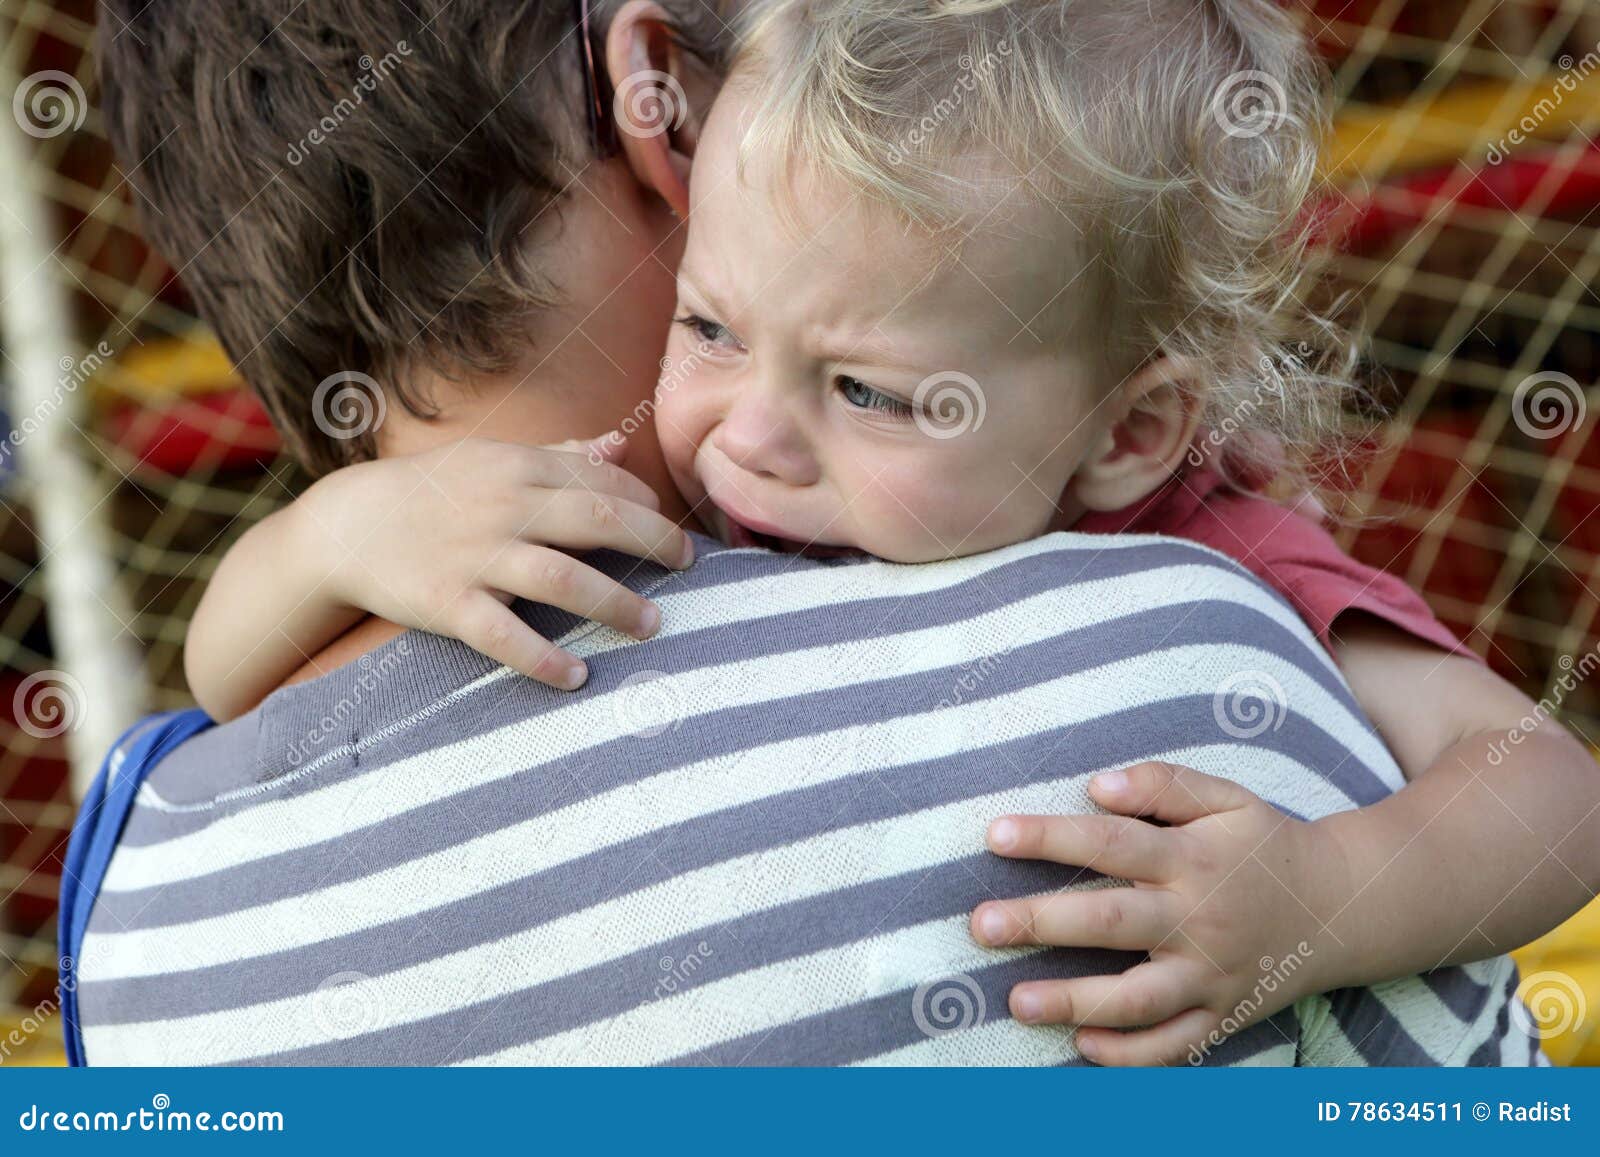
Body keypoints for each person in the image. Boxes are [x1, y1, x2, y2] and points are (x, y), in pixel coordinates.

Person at [61, 0, 1542, 1065]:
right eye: (709, 323)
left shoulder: (1213, 550)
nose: (750, 435)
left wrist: (1326, 895)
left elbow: (1540, 781)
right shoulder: (612, 506)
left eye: (870, 390)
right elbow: (215, 661)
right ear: (666, 140)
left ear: (1127, 433)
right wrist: (338, 537)